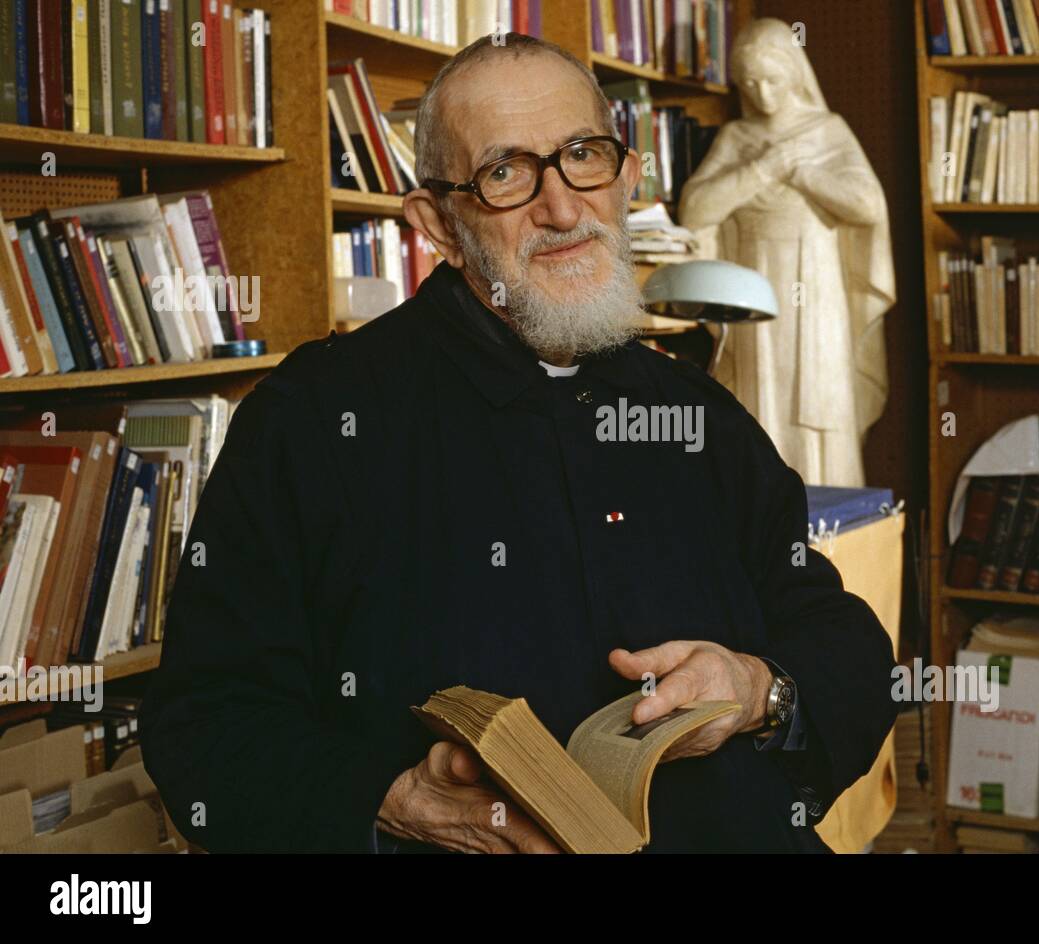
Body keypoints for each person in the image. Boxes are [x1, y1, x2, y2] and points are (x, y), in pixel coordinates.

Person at [141, 32, 898, 854]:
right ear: (438, 222)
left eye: (584, 156)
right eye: (505, 173)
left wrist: (759, 690)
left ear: (629, 179)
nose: (564, 208)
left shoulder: (697, 413)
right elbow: (205, 722)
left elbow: (839, 638)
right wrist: (395, 800)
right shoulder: (314, 418)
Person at [679, 18, 896, 488]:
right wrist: (763, 167)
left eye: (772, 80)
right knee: (762, 398)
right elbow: (696, 209)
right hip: (753, 282)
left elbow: (868, 205)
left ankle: (831, 518)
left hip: (816, 286)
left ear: (794, 74)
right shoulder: (738, 138)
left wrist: (802, 174)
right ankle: (767, 521)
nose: (762, 93)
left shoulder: (826, 131)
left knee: (820, 397)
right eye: (751, 83)